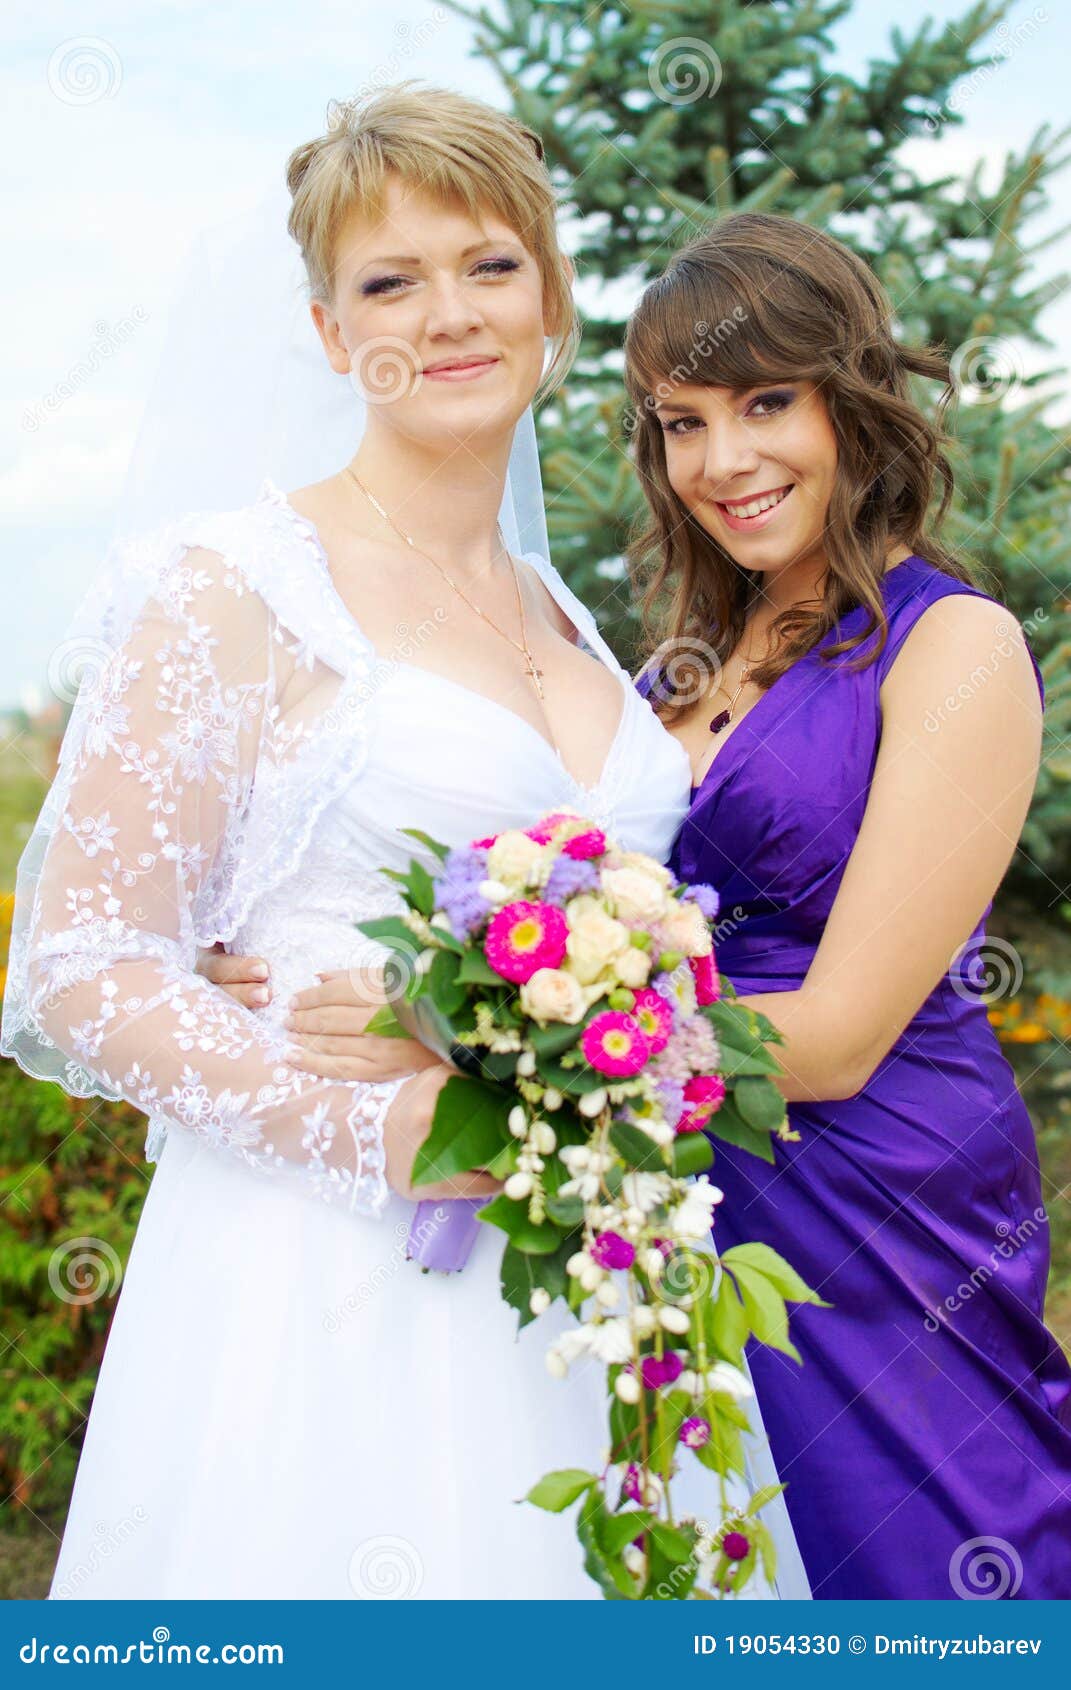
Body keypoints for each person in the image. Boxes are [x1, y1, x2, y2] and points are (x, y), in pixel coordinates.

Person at [1, 89, 808, 1600]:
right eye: (391, 281)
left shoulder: (573, 625)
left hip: (593, 1274)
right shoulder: (234, 585)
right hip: (323, 1276)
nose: (449, 315)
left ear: (551, 298)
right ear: (325, 331)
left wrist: (552, 1093)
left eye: (491, 266)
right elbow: (83, 966)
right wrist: (408, 1134)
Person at [623, 211, 1071, 1599]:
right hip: (676, 1192)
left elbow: (831, 1040)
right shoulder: (672, 673)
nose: (726, 460)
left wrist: (537, 1049)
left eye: (767, 402)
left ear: (851, 399)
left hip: (883, 1195)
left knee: (922, 1564)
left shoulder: (954, 644)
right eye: (684, 421)